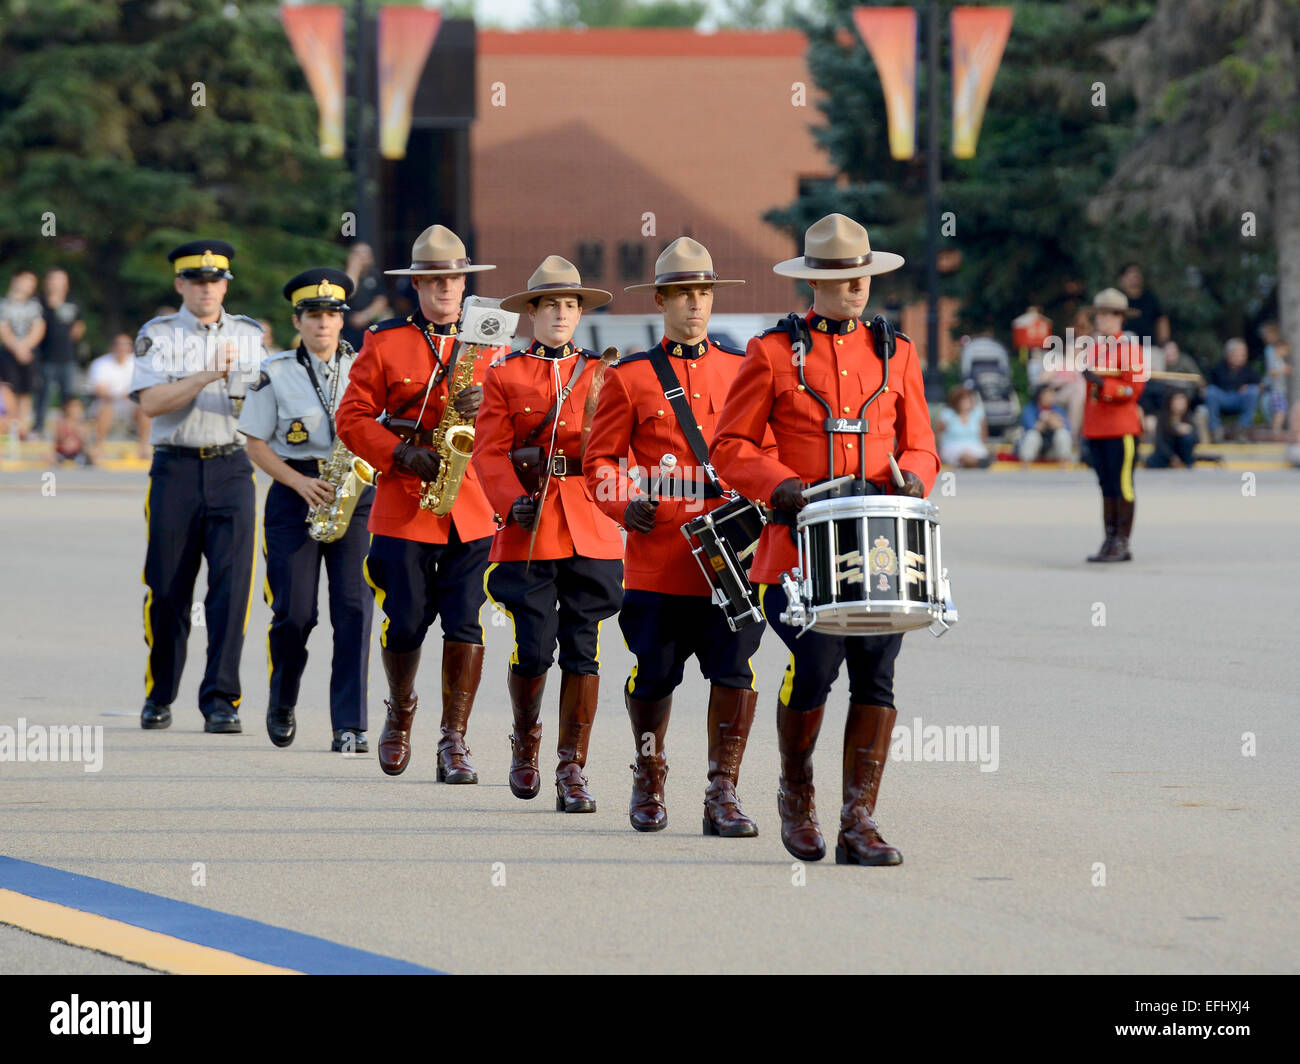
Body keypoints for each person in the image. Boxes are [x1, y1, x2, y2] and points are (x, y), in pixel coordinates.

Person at [711, 213, 939, 867]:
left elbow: (923, 444)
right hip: (795, 543)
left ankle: (858, 822)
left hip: (879, 544)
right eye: (842, 276)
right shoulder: (773, 353)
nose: (856, 286)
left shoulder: (897, 352)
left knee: (877, 673)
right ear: (815, 282)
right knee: (814, 665)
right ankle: (797, 795)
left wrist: (913, 479)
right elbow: (729, 447)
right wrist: (776, 482)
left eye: (863, 274)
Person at [584, 238, 769, 835]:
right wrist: (623, 503)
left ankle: (723, 793)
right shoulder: (632, 376)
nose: (696, 304)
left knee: (735, 673)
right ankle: (648, 777)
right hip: (661, 551)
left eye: (704, 292)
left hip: (734, 555)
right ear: (660, 298)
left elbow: (765, 452)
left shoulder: (743, 369)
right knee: (655, 672)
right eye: (685, 293)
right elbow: (601, 461)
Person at [335, 224, 506, 781]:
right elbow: (352, 418)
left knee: (465, 622)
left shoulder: (493, 343)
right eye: (434, 281)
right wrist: (400, 456)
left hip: (472, 502)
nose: (446, 289)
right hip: (406, 496)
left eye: (454, 279)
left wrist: (492, 403)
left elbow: (519, 420)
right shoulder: (384, 341)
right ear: (418, 286)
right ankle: (400, 712)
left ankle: (453, 738)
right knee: (405, 619)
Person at [474, 256, 624, 813]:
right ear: (531, 311)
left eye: (571, 305)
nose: (562, 313)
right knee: (534, 646)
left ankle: (571, 767)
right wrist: (507, 498)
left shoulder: (603, 373)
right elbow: (489, 449)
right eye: (552, 304)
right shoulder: (506, 373)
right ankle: (525, 744)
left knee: (583, 646)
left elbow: (616, 450)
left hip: (587, 517)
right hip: (529, 522)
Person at [130, 240, 269, 732]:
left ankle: (221, 701)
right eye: (196, 280)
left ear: (226, 284)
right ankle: (160, 692)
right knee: (167, 588)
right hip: (176, 468)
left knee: (232, 592)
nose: (206, 288)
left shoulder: (252, 335)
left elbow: (266, 405)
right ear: (180, 285)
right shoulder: (159, 334)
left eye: (215, 280)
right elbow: (151, 403)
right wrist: (208, 374)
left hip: (231, 465)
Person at [238, 268, 374, 753]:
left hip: (354, 494)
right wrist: (298, 482)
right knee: (295, 613)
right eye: (313, 315)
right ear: (297, 319)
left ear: (343, 320)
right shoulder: (274, 371)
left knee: (355, 611)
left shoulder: (365, 366)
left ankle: (350, 725)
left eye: (332, 314)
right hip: (294, 492)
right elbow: (254, 442)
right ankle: (283, 700)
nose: (323, 323)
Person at [1080, 287, 1145, 563]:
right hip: (1097, 427)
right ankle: (1109, 539)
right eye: (1098, 314)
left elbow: (1133, 390)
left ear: (1119, 317)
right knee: (1105, 485)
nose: (1100, 320)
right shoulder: (1096, 349)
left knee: (1122, 486)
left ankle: (1122, 541)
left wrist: (1103, 384)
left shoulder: (1130, 349)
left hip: (1121, 428)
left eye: (1105, 315)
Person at [34, 268, 85, 437]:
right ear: (47, 282)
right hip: (45, 357)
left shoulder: (73, 302)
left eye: (60, 280)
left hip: (68, 357)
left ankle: (68, 431)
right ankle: (39, 428)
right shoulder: (39, 302)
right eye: (53, 279)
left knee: (68, 397)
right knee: (43, 396)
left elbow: (80, 323)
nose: (56, 283)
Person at [88, 333, 151, 461]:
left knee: (144, 408)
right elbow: (100, 390)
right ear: (112, 347)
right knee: (106, 407)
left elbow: (144, 386)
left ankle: (143, 447)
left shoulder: (138, 363)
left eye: (125, 345)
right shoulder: (100, 364)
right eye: (119, 345)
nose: (122, 348)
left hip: (130, 403)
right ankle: (99, 447)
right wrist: (121, 394)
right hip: (108, 403)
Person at [0, 269, 46, 438]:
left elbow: (38, 328)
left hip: (28, 352)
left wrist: (25, 346)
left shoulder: (34, 306)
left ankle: (22, 427)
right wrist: (16, 347)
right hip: (8, 352)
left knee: (26, 391)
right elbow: (3, 329)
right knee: (10, 389)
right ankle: (11, 425)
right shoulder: (4, 304)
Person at [1205, 338, 1260, 441]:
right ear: (1229, 354)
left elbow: (1260, 385)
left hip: (1239, 399)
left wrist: (1248, 387)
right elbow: (1207, 383)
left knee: (1253, 391)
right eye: (1240, 353)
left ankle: (1243, 429)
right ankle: (1216, 431)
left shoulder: (1249, 369)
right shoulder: (1218, 367)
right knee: (1211, 391)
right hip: (1223, 398)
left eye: (1244, 353)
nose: (1243, 356)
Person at [341, 243, 390, 352]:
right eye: (359, 253)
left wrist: (365, 315)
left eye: (367, 253)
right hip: (348, 330)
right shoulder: (345, 275)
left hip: (369, 326)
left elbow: (381, 300)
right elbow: (349, 292)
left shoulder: (374, 275)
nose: (364, 257)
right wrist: (354, 268)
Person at [935, 385, 989, 467]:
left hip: (974, 445)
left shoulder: (977, 413)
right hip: (952, 446)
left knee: (975, 453)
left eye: (967, 400)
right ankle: (974, 462)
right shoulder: (947, 414)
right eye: (963, 400)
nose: (965, 403)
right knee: (964, 455)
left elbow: (983, 434)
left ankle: (973, 462)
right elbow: (937, 434)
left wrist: (983, 446)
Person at [1117, 262, 1170, 346]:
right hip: (1122, 347)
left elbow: (1161, 320)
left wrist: (1165, 342)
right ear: (1122, 279)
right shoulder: (1117, 299)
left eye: (1136, 276)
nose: (1134, 280)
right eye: (1130, 276)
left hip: (1148, 346)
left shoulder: (1150, 298)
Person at [1018, 383, 1071, 465]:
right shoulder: (1030, 408)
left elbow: (1066, 427)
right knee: (1033, 435)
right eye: (1048, 394)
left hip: (1052, 450)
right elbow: (1031, 427)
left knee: (1063, 433)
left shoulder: (1058, 409)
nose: (1052, 397)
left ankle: (1065, 461)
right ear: (1040, 396)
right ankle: (1026, 462)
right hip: (1035, 450)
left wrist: (1053, 422)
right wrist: (1044, 421)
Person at [1145, 390, 1198, 469]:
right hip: (1166, 454)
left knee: (1188, 438)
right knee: (1154, 460)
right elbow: (1159, 441)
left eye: (1182, 401)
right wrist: (1172, 457)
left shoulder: (1189, 417)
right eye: (1177, 400)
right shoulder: (1163, 417)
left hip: (1183, 452)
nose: (1180, 403)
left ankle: (1187, 464)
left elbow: (1197, 439)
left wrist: (1189, 431)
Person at [1260, 322, 1291, 435]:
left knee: (1279, 411)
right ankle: (1276, 433)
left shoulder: (1273, 352)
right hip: (1275, 390)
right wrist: (1284, 369)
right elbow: (1271, 372)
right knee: (1280, 412)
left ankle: (1274, 431)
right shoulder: (1270, 351)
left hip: (1278, 389)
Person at [51, 395, 90, 466]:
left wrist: (77, 426)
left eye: (77, 407)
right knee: (48, 456)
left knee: (94, 453)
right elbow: (59, 439)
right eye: (73, 407)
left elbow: (85, 441)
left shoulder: (82, 424)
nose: (75, 409)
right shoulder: (61, 422)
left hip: (77, 453)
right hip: (62, 453)